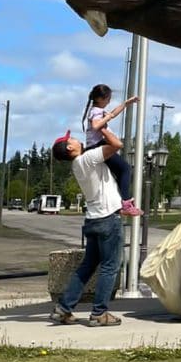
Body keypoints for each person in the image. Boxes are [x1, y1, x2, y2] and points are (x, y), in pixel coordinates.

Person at [49, 122, 127, 326]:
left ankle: (64, 309)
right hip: (108, 218)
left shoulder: (78, 165)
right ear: (69, 147)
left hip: (93, 219)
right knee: (110, 267)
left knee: (88, 265)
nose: (75, 139)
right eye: (71, 139)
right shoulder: (88, 159)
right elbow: (117, 144)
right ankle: (99, 313)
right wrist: (100, 127)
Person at [82, 84, 142, 217]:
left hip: (95, 145)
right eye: (108, 99)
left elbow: (113, 113)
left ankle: (121, 201)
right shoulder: (95, 111)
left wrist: (126, 104)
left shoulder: (98, 110)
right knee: (125, 168)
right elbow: (96, 125)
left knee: (119, 172)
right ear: (100, 99)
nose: (109, 101)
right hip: (97, 145)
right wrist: (107, 118)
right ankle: (126, 202)